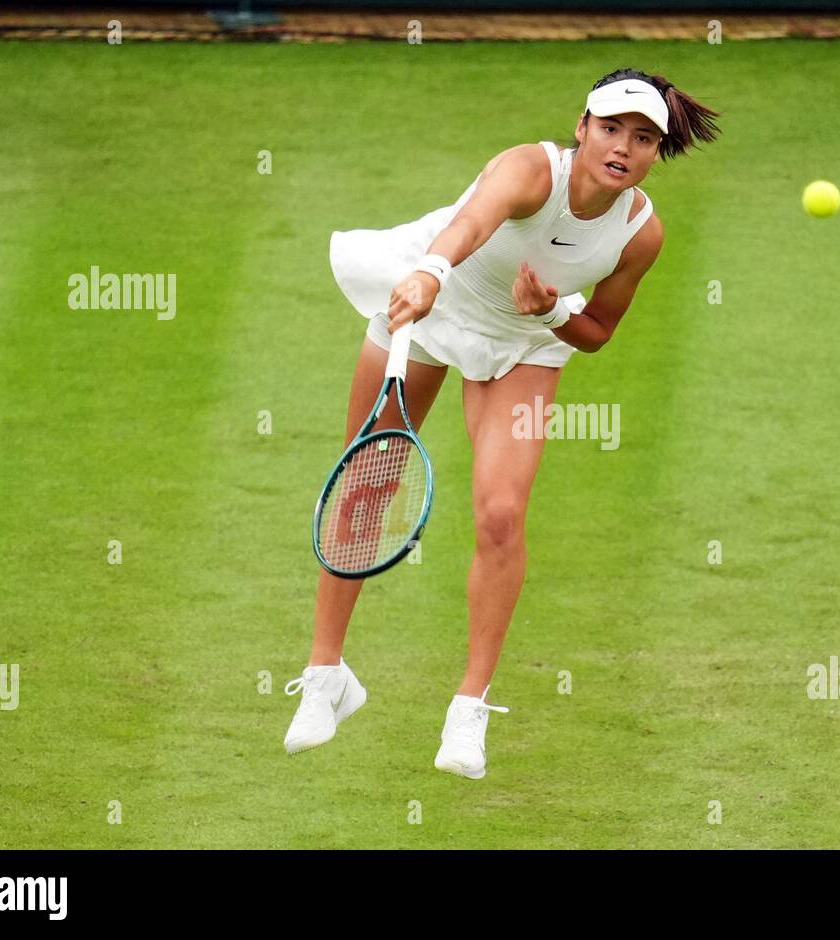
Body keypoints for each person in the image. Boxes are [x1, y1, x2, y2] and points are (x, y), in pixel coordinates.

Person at [284, 68, 721, 779]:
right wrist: (427, 274)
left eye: (643, 139)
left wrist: (550, 312)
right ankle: (327, 676)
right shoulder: (529, 169)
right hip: (436, 297)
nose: (622, 147)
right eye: (610, 128)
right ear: (582, 128)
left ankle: (469, 707)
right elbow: (469, 225)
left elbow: (600, 329)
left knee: (499, 513)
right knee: (366, 479)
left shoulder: (641, 234)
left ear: (656, 154)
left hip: (524, 339)